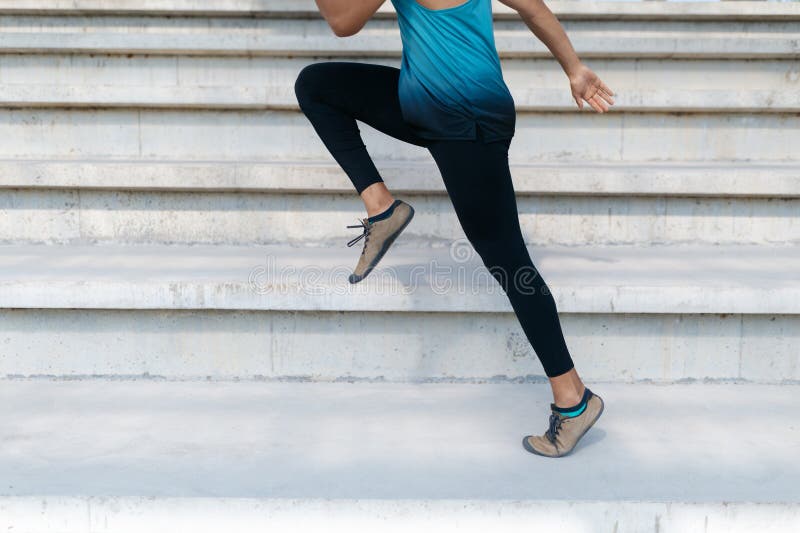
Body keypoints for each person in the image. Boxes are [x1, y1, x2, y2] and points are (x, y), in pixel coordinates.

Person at [295, 0, 615, 457]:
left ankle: (574, 400)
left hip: (465, 119)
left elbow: (342, 23)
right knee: (318, 85)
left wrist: (575, 68)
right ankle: (381, 207)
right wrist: (574, 67)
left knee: (509, 262)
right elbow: (533, 8)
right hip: (429, 102)